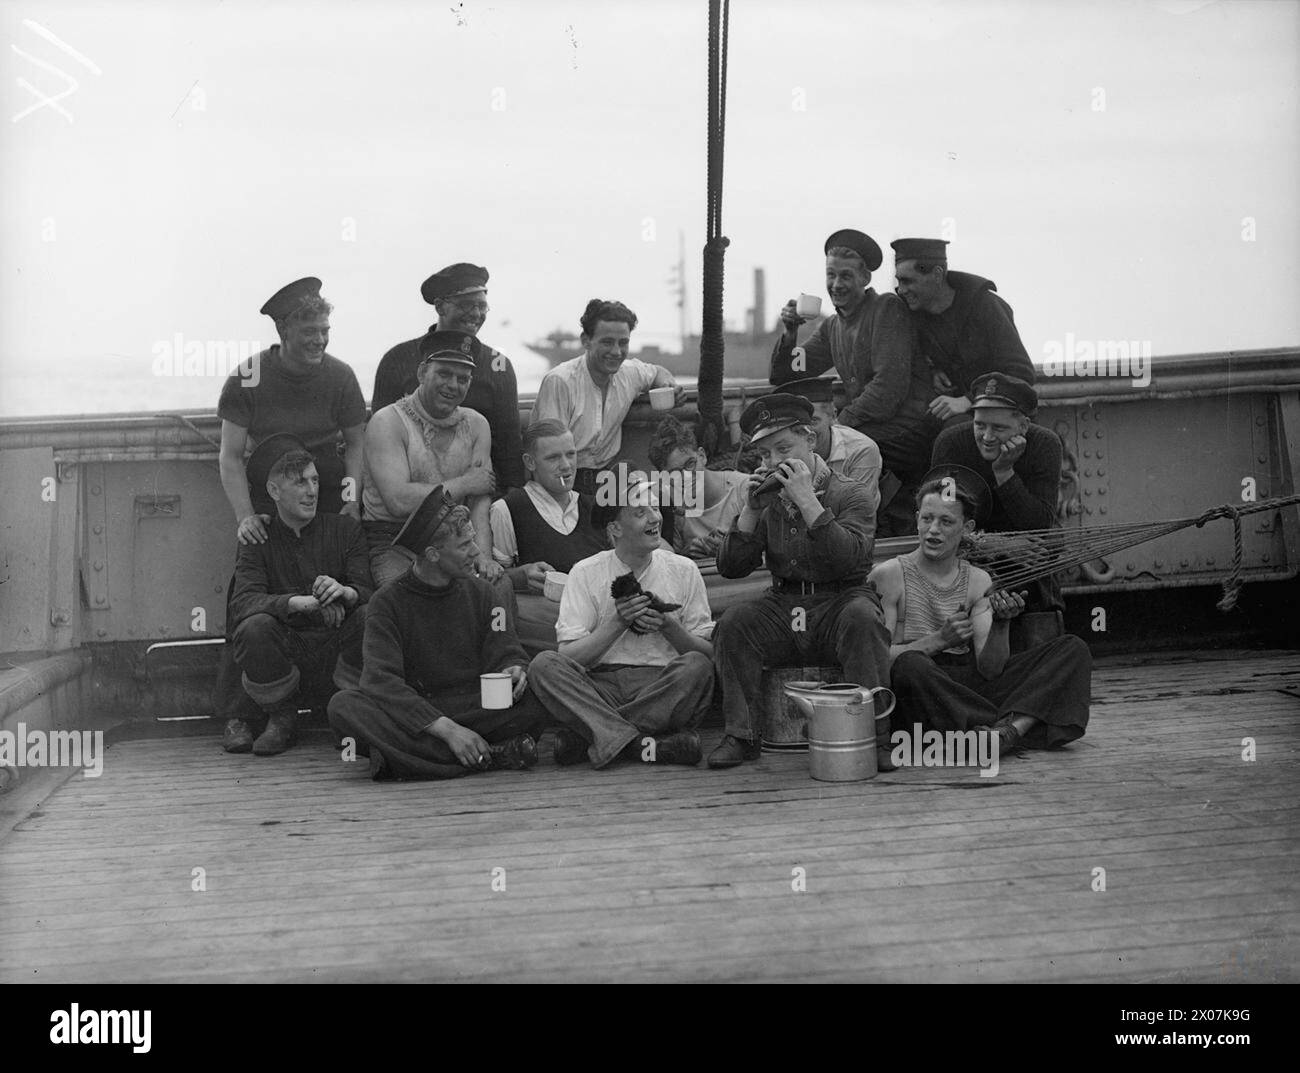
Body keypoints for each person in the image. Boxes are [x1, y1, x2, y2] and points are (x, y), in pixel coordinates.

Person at [708, 394, 891, 768]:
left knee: (863, 619)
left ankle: (877, 739)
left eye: (783, 448)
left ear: (810, 439)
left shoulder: (849, 492)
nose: (773, 462)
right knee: (734, 623)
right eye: (764, 455)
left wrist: (809, 502)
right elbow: (731, 568)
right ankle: (741, 735)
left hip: (840, 600)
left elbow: (851, 560)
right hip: (785, 604)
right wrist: (749, 511)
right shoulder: (766, 496)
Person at [327, 489, 547, 781]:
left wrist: (515, 669)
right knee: (343, 708)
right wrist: (448, 730)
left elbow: (506, 650)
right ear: (432, 554)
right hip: (418, 712)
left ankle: (405, 760)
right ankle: (491, 755)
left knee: (538, 695)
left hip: (472, 706)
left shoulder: (483, 593)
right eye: (465, 545)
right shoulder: (387, 603)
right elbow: (381, 682)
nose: (476, 553)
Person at [871, 476, 1091, 756]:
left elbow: (990, 670)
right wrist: (938, 640)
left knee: (1072, 649)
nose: (933, 530)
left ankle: (1006, 732)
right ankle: (1011, 724)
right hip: (924, 689)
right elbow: (878, 659)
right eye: (927, 519)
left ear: (967, 528)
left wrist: (1002, 624)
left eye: (946, 522)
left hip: (965, 688)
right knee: (910, 666)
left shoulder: (977, 579)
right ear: (916, 519)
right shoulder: (889, 575)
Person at [527, 482, 715, 769]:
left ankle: (599, 735)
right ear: (615, 529)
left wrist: (669, 626)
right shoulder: (586, 572)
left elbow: (708, 653)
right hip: (602, 686)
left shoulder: (683, 569)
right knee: (543, 666)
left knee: (697, 668)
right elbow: (568, 657)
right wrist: (618, 623)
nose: (655, 518)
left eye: (654, 507)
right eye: (641, 512)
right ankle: (641, 745)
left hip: (660, 685)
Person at [770, 229, 934, 535]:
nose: (836, 284)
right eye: (831, 275)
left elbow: (889, 387)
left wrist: (840, 426)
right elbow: (788, 375)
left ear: (865, 279)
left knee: (829, 445)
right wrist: (791, 331)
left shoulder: (886, 309)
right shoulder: (833, 326)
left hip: (909, 428)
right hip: (871, 424)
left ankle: (856, 527)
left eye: (846, 276)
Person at [225, 435, 374, 756]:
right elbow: (242, 603)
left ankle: (348, 713)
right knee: (255, 627)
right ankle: (281, 716)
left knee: (368, 615)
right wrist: (297, 603)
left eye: (315, 480)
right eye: (300, 482)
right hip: (287, 650)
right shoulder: (258, 539)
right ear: (274, 491)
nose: (312, 490)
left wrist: (345, 593)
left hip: (336, 649)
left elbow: (369, 591)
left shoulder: (344, 530)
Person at [218, 277, 368, 545]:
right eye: (309, 331)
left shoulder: (341, 377)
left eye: (325, 330)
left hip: (329, 498)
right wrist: (245, 517)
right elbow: (231, 456)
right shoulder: (247, 378)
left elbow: (356, 444)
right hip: (271, 502)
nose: (320, 340)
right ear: (282, 329)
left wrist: (351, 501)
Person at [362, 330, 503, 588]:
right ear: (421, 374)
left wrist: (482, 554)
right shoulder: (387, 422)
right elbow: (398, 501)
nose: (453, 385)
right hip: (396, 541)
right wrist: (464, 484)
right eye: (444, 374)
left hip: (456, 538)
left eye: (463, 378)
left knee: (488, 589)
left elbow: (480, 498)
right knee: (414, 597)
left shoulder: (477, 424)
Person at [371, 263, 526, 491]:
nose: (475, 314)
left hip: (480, 491)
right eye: (466, 305)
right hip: (412, 493)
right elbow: (380, 435)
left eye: (482, 306)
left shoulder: (498, 366)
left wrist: (510, 504)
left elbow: (509, 446)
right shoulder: (397, 360)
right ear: (440, 307)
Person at [929, 372, 1064, 615]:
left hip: (1025, 548)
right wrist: (992, 544)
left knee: (1051, 542)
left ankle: (1036, 616)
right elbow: (939, 517)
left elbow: (1041, 522)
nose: (987, 437)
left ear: (1023, 426)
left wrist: (1004, 472)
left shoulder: (1044, 445)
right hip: (968, 547)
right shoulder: (952, 445)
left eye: (999, 428)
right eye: (979, 425)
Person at [529, 298, 681, 495]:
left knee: (664, 500)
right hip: (563, 481)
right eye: (607, 342)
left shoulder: (629, 373)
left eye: (623, 343)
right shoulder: (560, 381)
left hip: (606, 479)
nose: (616, 352)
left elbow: (657, 372)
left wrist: (669, 386)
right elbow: (548, 456)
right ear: (586, 341)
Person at [489, 420, 611, 655]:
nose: (566, 466)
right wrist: (519, 576)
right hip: (545, 635)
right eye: (553, 458)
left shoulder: (595, 507)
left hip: (600, 628)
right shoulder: (508, 509)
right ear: (530, 462)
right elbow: (494, 581)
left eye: (571, 454)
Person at [891, 237, 1036, 425]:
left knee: (956, 435)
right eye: (899, 282)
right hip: (945, 412)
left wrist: (968, 400)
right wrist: (932, 369)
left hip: (998, 418)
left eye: (908, 281)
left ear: (937, 274)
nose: (901, 290)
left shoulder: (985, 306)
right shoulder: (912, 311)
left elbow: (1021, 373)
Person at [645, 415, 749, 559]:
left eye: (690, 464)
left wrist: (732, 546)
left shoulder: (744, 489)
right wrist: (688, 552)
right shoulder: (672, 512)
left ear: (702, 456)